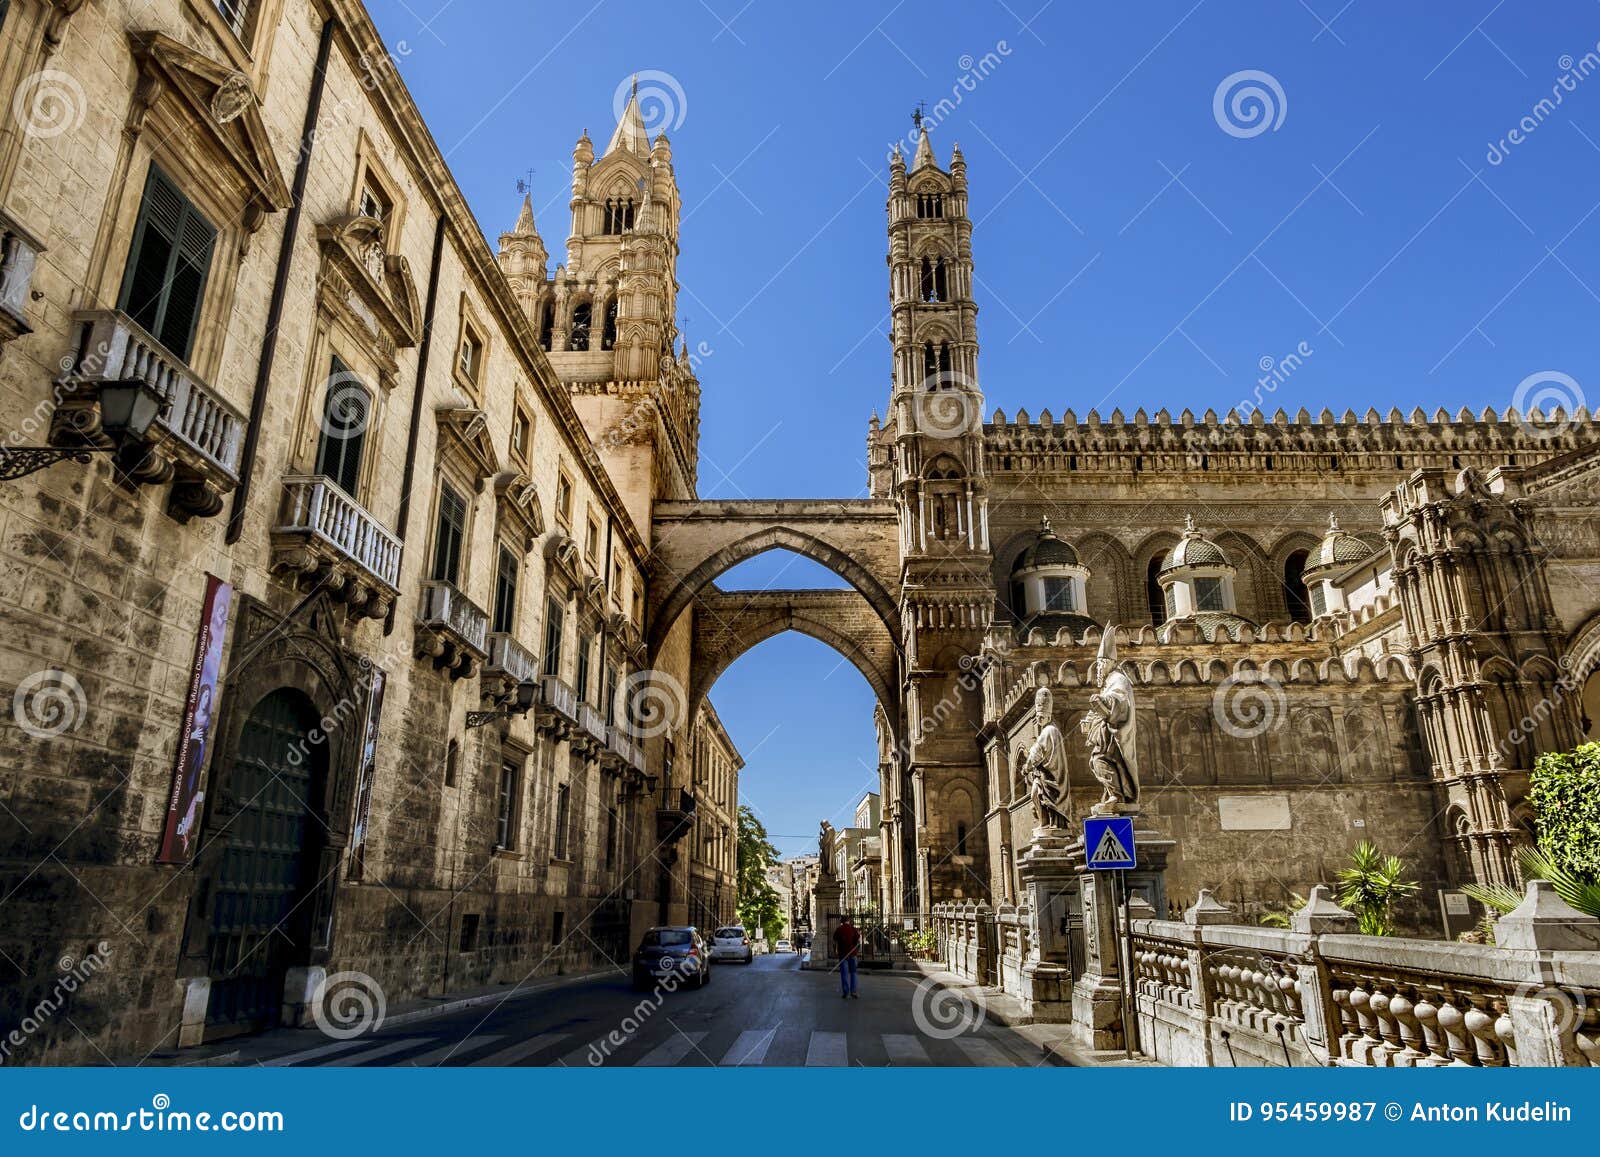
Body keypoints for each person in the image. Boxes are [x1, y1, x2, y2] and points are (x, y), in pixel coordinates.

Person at [833, 916, 861, 999]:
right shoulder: (853, 929)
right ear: (849, 921)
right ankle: (854, 992)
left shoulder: (839, 929)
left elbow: (835, 940)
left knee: (844, 973)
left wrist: (835, 950)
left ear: (842, 921)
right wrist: (856, 950)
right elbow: (858, 941)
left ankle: (845, 991)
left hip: (842, 955)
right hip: (852, 954)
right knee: (853, 973)